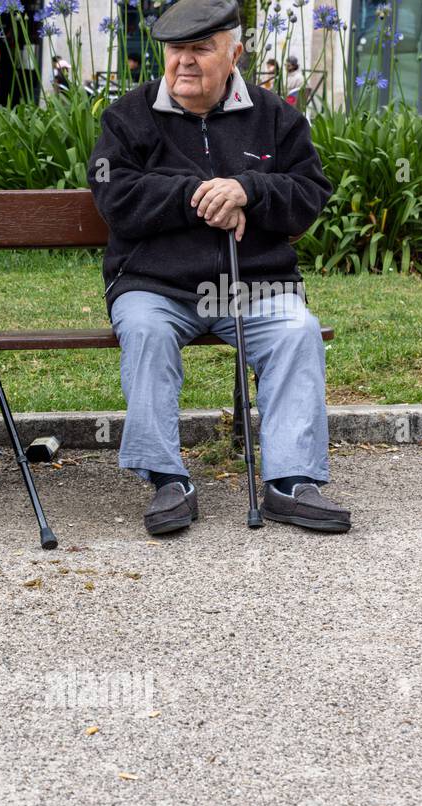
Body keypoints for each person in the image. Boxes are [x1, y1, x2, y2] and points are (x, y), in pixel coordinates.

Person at [86, 0, 351, 535]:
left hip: (252, 282)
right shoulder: (127, 117)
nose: (184, 61)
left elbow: (310, 191)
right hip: (154, 285)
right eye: (176, 48)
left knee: (297, 331)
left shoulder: (276, 116)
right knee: (145, 331)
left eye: (201, 48)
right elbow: (115, 194)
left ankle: (291, 482)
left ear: (235, 54)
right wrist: (199, 196)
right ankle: (167, 479)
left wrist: (248, 189)